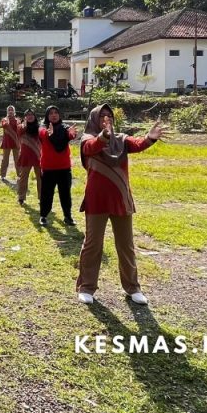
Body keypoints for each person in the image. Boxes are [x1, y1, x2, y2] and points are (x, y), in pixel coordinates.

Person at [76, 104, 165, 306]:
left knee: (126, 246)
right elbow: (92, 147)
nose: (106, 118)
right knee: (93, 245)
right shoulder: (87, 139)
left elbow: (138, 144)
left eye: (109, 115)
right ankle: (87, 287)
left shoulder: (122, 140)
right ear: (94, 119)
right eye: (102, 116)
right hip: (97, 200)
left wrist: (150, 138)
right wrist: (103, 137)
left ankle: (133, 288)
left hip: (121, 199)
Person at [39, 105, 78, 226]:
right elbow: (42, 134)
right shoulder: (43, 127)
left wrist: (72, 134)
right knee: (46, 194)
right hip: (48, 168)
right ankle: (43, 216)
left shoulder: (64, 128)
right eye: (51, 113)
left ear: (59, 115)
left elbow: (70, 134)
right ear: (47, 116)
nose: (54, 115)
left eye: (56, 112)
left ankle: (68, 217)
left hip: (64, 168)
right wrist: (49, 133)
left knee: (65, 194)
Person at [16, 109, 42, 206]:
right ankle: (21, 197)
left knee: (40, 177)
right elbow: (19, 132)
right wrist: (24, 124)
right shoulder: (21, 127)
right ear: (25, 117)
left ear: (35, 116)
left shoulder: (39, 128)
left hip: (38, 155)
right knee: (23, 177)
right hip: (25, 156)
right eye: (27, 115)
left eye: (32, 115)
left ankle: (42, 198)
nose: (30, 116)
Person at [0, 105, 20, 181]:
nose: (10, 111)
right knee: (5, 159)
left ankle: (19, 175)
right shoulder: (4, 119)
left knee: (17, 159)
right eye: (9, 110)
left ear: (14, 111)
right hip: (7, 142)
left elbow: (20, 129)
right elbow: (3, 125)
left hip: (16, 142)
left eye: (12, 110)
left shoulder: (17, 120)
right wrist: (7, 121)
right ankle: (2, 175)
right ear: (7, 111)